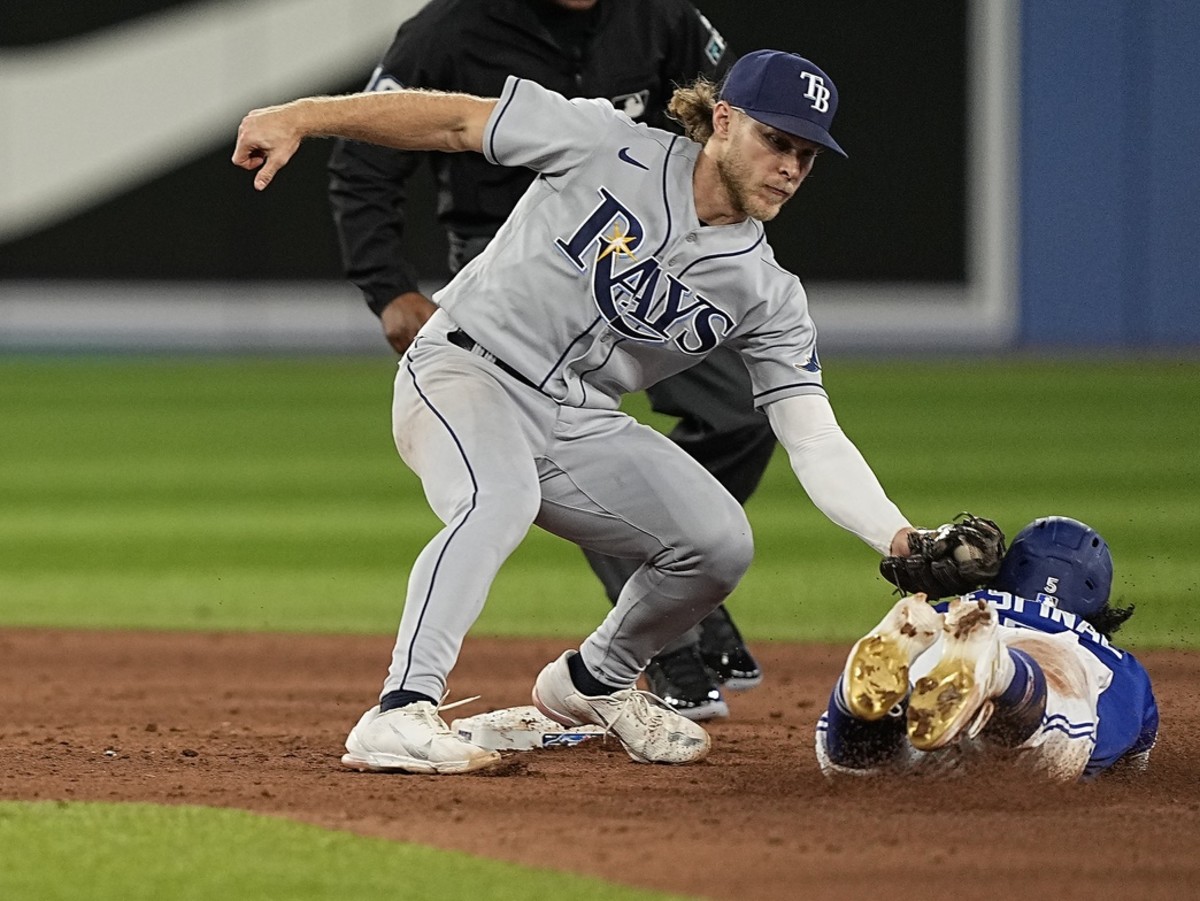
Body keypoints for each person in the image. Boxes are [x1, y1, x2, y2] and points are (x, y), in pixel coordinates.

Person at [234, 49, 929, 774]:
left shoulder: (767, 292)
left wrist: (900, 537)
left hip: (576, 416)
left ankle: (593, 681)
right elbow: (453, 122)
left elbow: (812, 436)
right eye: (776, 140)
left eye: (806, 155)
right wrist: (302, 116)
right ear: (723, 121)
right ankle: (399, 709)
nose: (789, 166)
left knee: (719, 543)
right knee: (498, 497)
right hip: (465, 368)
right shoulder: (603, 140)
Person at [327, 0, 767, 721]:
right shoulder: (451, 29)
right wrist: (387, 288)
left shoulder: (660, 16)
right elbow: (366, 163)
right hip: (514, 261)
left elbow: (736, 129)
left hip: (640, 258)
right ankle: (671, 645)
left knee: (740, 415)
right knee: (523, 466)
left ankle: (674, 582)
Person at [817, 516, 1160, 782]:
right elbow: (1130, 770)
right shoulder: (1109, 658)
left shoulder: (958, 607)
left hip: (946, 637)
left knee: (854, 770)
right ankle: (1000, 674)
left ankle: (860, 710)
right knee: (1053, 736)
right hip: (1041, 662)